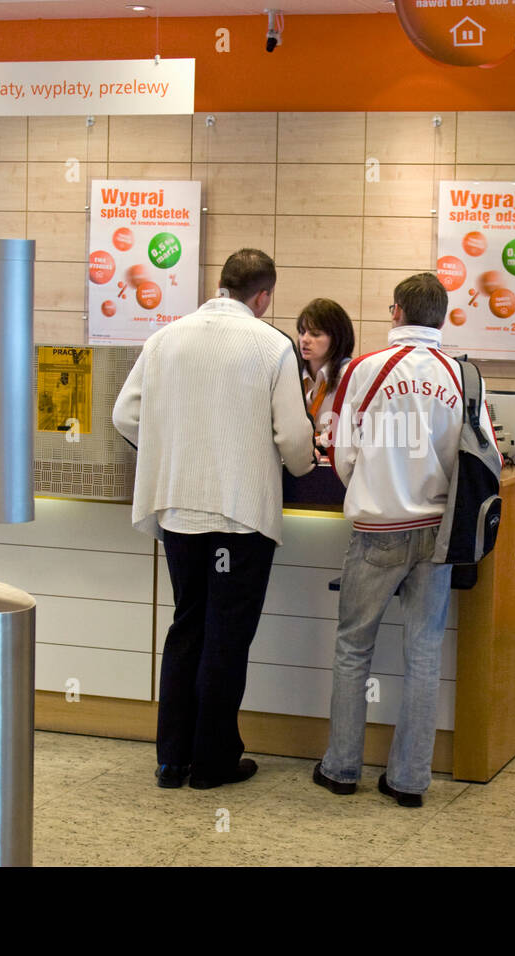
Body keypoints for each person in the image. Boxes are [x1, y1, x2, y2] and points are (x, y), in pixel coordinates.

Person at [113, 248, 315, 791]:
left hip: (178, 510)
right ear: (265, 296)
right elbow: (295, 441)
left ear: (221, 284)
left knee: (187, 627)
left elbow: (124, 414)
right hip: (238, 517)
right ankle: (212, 762)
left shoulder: (164, 338)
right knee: (226, 638)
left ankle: (171, 760)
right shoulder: (273, 346)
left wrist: (169, 446)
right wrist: (303, 465)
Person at [312, 272, 494, 806]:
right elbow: (488, 457)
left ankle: (342, 768)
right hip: (440, 535)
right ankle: (410, 781)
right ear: (442, 317)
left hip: (378, 530)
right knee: (424, 654)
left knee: (352, 648)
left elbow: (341, 453)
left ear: (395, 312)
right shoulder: (464, 378)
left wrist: (371, 488)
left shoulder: (367, 369)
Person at [296, 297, 355, 453]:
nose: (305, 340)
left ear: (336, 338)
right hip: (298, 458)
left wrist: (318, 441)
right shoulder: (292, 372)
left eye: (315, 334)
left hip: (335, 460)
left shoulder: (350, 374)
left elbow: (353, 428)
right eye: (302, 332)